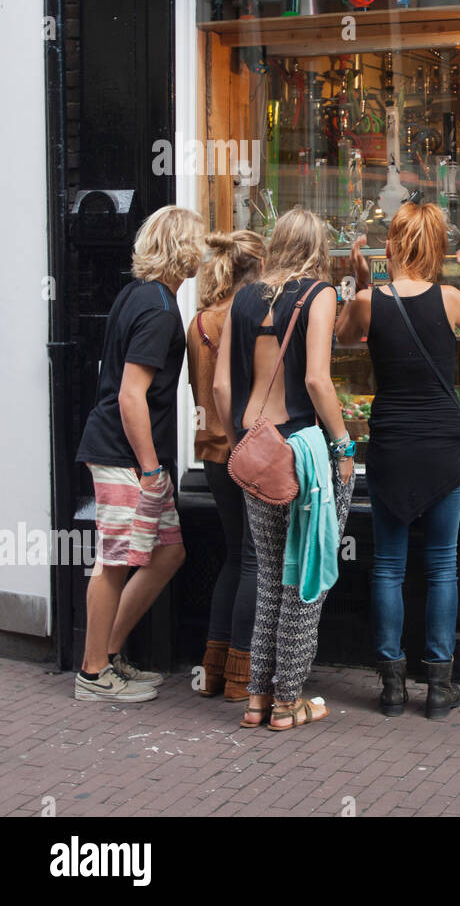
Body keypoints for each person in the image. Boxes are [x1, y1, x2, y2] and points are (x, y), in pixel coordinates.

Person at [335, 203, 460, 718]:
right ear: (434, 247)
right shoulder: (451, 298)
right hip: (441, 446)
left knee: (387, 567)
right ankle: (439, 686)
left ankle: (391, 688)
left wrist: (357, 278)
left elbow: (342, 336)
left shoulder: (369, 301)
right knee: (442, 566)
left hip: (390, 446)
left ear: (391, 244)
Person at [213, 208, 355, 732]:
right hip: (306, 451)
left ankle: (257, 700)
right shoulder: (319, 294)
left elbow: (222, 388)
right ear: (318, 246)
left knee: (272, 576)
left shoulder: (243, 298)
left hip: (258, 444)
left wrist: (240, 444)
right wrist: (345, 446)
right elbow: (318, 381)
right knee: (307, 577)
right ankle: (288, 701)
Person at [74, 206, 206, 702]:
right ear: (182, 249)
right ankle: (93, 674)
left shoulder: (140, 294)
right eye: (197, 243)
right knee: (113, 561)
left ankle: (107, 655)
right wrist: (151, 468)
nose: (203, 252)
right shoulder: (158, 308)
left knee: (167, 553)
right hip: (125, 455)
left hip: (126, 452)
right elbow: (131, 395)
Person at [186, 230, 265, 702]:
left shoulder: (199, 321)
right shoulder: (245, 316)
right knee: (255, 560)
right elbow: (228, 389)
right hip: (244, 448)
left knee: (234, 557)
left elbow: (201, 393)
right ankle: (242, 675)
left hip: (211, 452)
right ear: (255, 269)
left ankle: (214, 671)